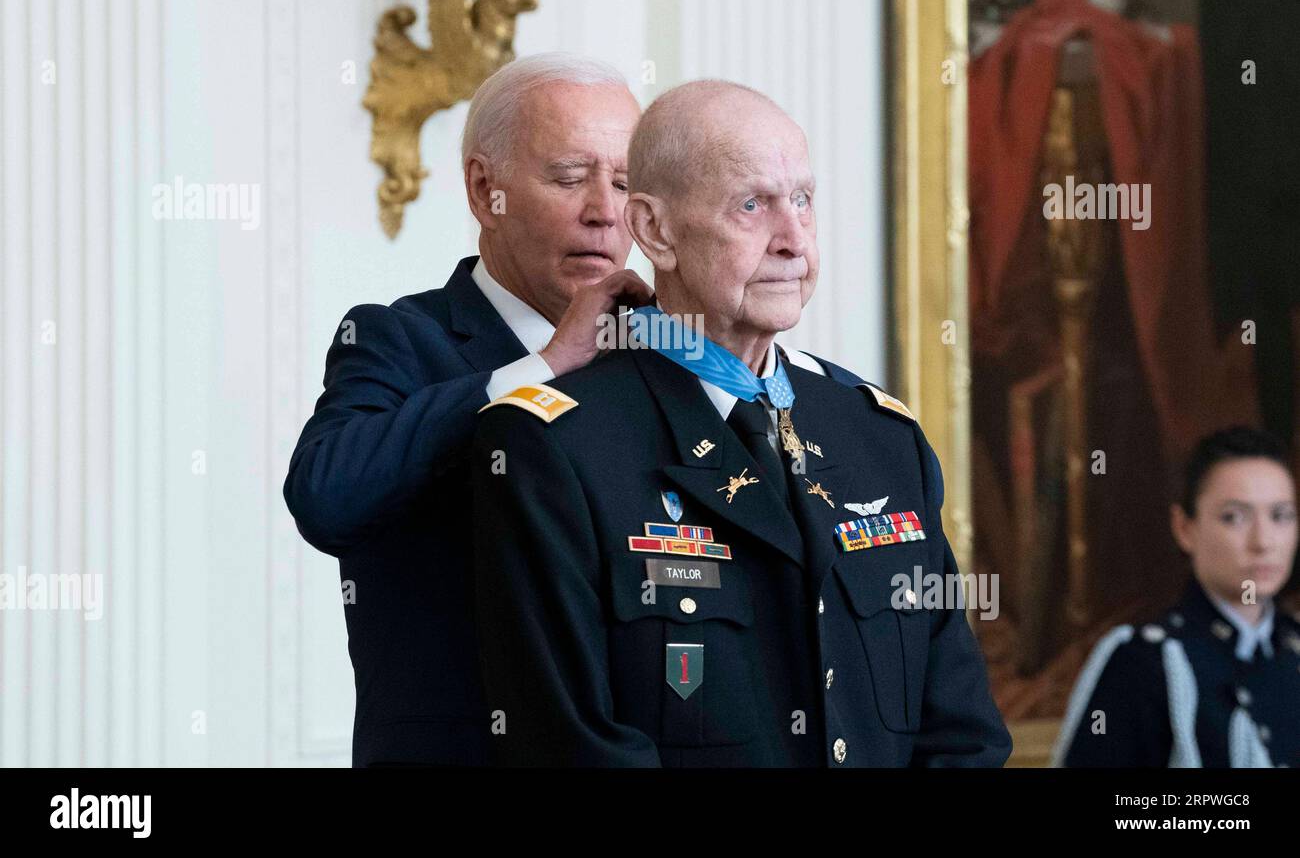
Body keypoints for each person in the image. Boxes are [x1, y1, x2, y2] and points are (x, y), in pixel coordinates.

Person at [471, 79, 1012, 766]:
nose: (791, 240)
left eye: (804, 202)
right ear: (654, 230)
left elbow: (963, 735)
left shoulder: (879, 435)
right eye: (751, 205)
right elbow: (571, 747)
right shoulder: (554, 446)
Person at [283, 53, 651, 766]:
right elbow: (325, 495)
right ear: (487, 191)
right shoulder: (398, 341)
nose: (605, 210)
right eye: (571, 177)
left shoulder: (657, 356)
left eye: (627, 184)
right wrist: (542, 369)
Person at [1054, 426, 1300, 768]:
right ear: (1185, 528)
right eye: (1234, 517)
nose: (1263, 542)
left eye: (1280, 516)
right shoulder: (1145, 662)